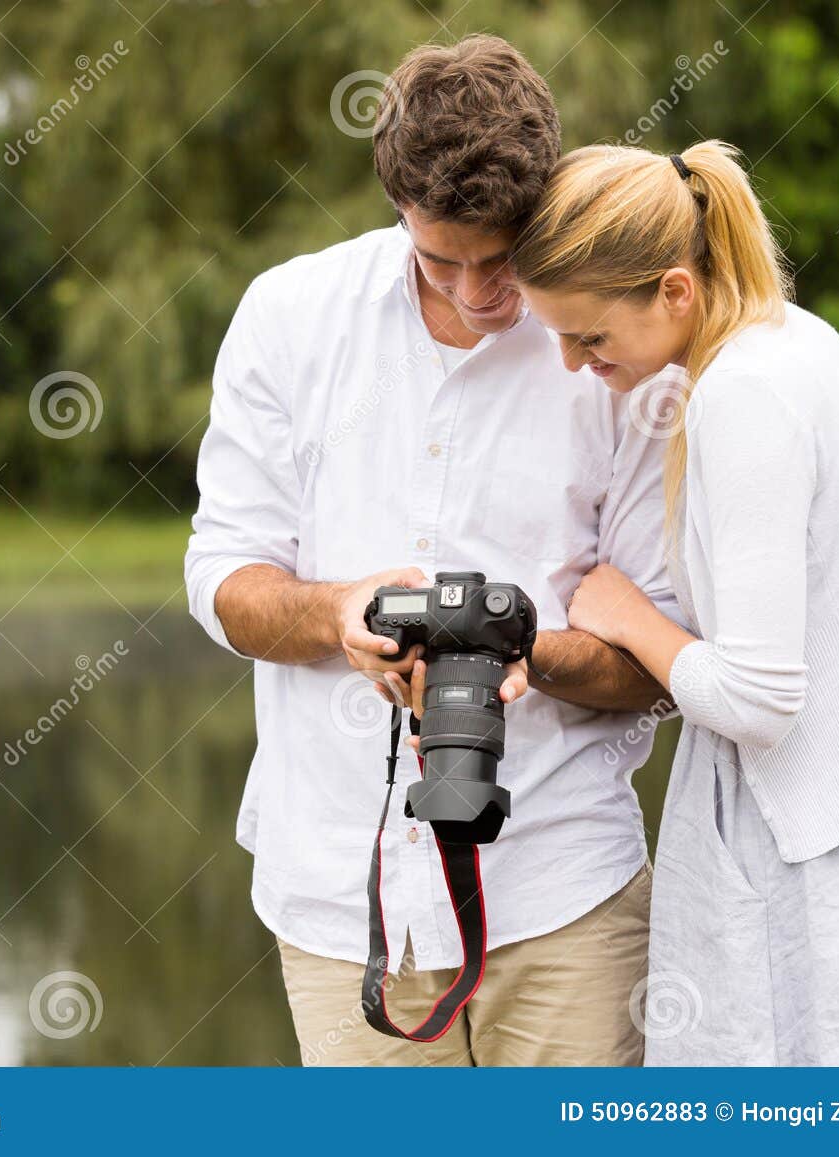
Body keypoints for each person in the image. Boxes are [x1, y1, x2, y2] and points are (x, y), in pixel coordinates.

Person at [184, 36, 680, 1066]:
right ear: (397, 207)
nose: (477, 291)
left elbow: (662, 662)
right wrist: (338, 613)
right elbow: (223, 579)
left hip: (564, 893)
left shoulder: (614, 352)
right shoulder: (289, 318)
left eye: (500, 260)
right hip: (340, 895)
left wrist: (523, 648)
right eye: (440, 258)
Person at [509, 140, 839, 1065]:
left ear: (675, 291)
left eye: (590, 337)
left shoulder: (743, 394)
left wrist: (627, 616)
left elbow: (759, 696)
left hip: (812, 856)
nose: (572, 361)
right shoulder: (800, 338)